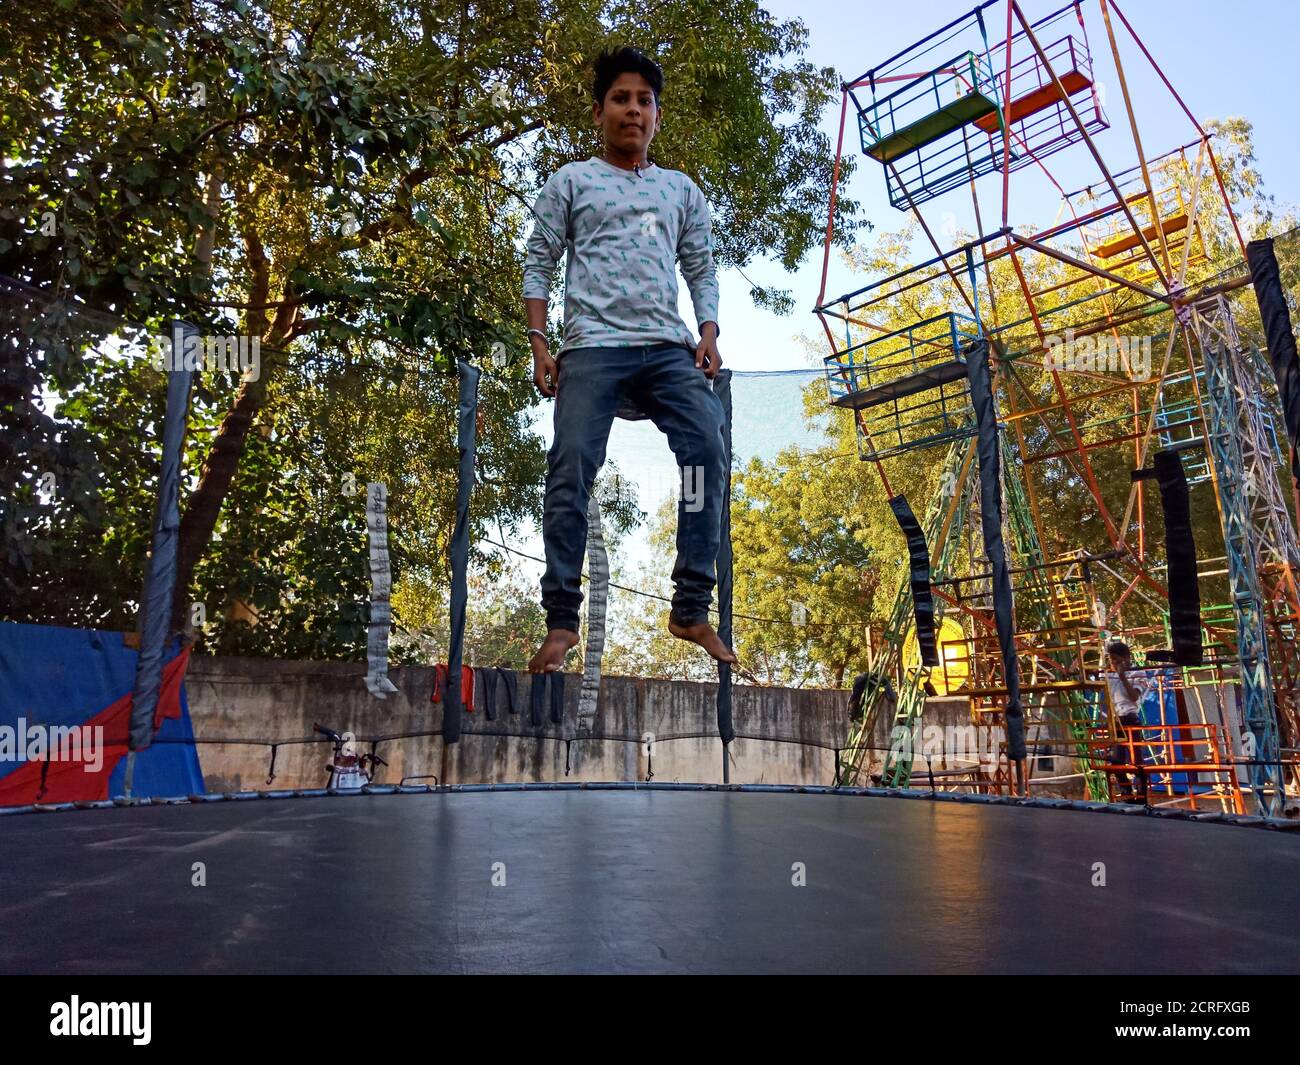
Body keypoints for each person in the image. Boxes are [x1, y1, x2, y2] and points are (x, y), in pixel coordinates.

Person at [521, 46, 736, 673]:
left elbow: (700, 265)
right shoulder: (571, 181)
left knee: (707, 447)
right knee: (571, 466)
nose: (633, 110)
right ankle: (561, 620)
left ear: (657, 117)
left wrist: (709, 330)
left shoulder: (680, 190)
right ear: (599, 111)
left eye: (644, 100)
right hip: (591, 348)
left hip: (667, 349)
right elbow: (538, 261)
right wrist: (540, 344)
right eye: (621, 98)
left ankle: (691, 605)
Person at [1104, 639, 1152, 800]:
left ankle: (1142, 795)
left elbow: (1133, 696)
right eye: (1111, 660)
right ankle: (1126, 794)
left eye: (1117, 660)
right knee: (1116, 762)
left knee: (1136, 760)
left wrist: (1122, 676)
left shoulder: (1138, 673)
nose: (1114, 664)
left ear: (1126, 659)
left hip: (1130, 719)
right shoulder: (1109, 675)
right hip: (1115, 720)